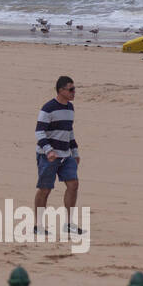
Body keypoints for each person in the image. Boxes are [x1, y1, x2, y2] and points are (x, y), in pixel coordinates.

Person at [33, 76, 85, 235]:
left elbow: (69, 132)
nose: (74, 92)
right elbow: (39, 132)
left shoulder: (70, 108)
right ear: (61, 90)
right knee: (45, 189)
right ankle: (38, 225)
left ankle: (69, 224)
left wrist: (75, 152)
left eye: (74, 89)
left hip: (65, 155)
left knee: (73, 184)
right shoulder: (48, 108)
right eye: (71, 89)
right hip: (47, 156)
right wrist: (49, 151)